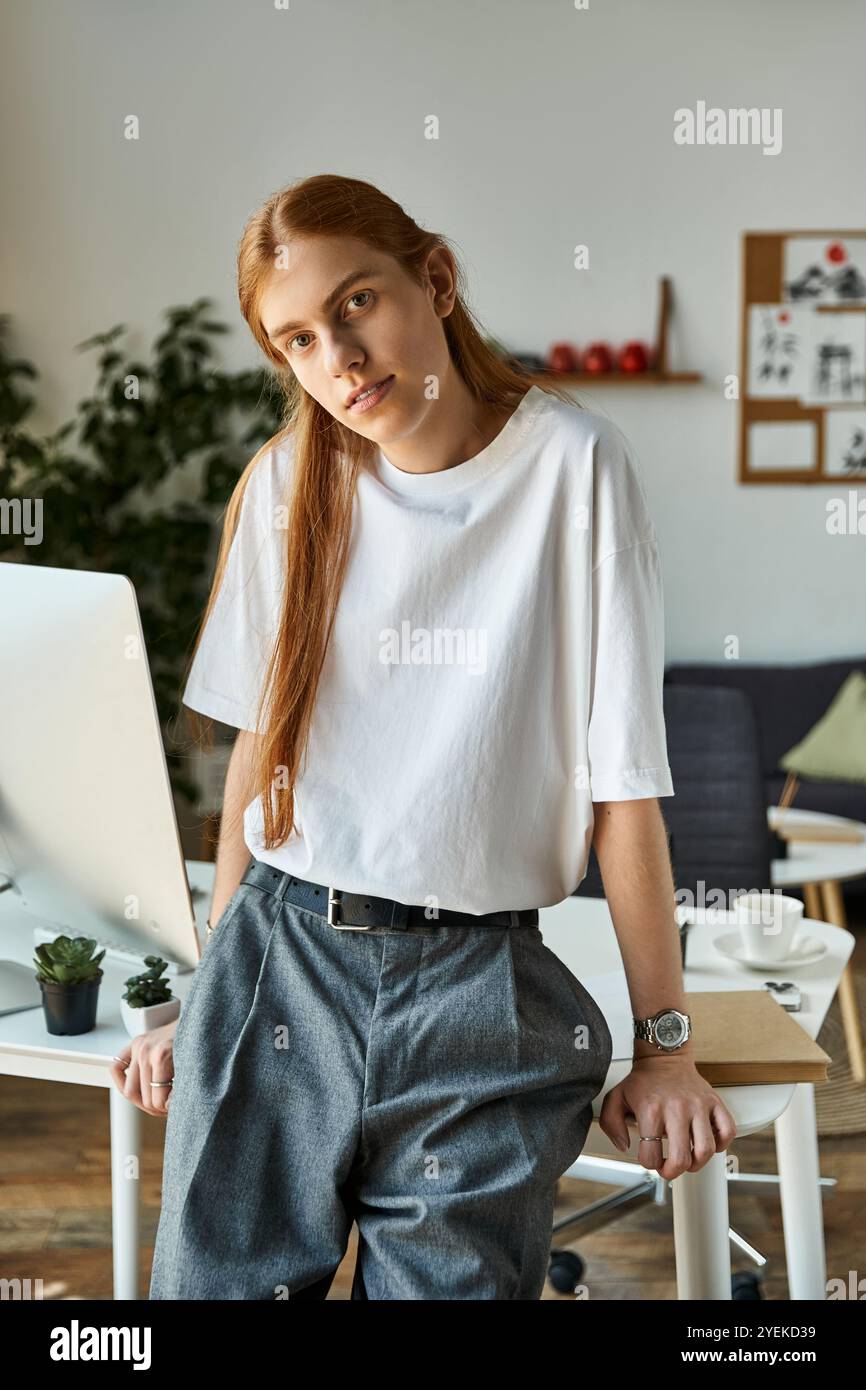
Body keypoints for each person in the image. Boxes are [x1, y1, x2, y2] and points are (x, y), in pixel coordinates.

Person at [111, 173, 736, 1300]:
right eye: (298, 339)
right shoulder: (286, 485)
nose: (338, 359)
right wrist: (212, 988)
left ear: (434, 280)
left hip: (482, 994)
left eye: (356, 304)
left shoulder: (573, 469)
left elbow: (623, 794)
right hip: (279, 961)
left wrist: (666, 1043)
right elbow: (261, 754)